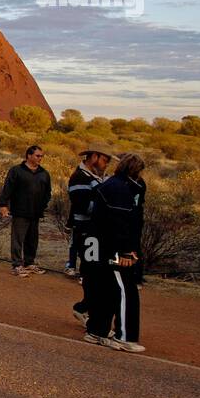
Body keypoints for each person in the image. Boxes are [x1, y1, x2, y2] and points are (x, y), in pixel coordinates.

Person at [83, 153, 147, 353]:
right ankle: (125, 336)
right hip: (113, 248)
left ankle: (96, 330)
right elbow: (120, 223)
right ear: (135, 170)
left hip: (101, 245)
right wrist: (127, 251)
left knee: (105, 289)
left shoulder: (113, 185)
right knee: (125, 289)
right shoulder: (119, 190)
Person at [67, 148, 112, 325]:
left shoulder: (94, 177)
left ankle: (86, 308)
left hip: (94, 231)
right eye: (105, 159)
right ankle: (84, 308)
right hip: (86, 232)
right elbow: (82, 206)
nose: (106, 164)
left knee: (95, 271)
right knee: (91, 271)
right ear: (94, 157)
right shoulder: (80, 177)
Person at [0, 144, 52, 276]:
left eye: (41, 156)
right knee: (18, 239)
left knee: (32, 240)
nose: (40, 158)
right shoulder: (16, 171)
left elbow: (48, 192)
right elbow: (7, 188)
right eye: (37, 155)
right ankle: (16, 265)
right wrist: (3, 205)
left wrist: (42, 206)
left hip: (35, 212)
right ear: (29, 155)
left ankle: (29, 263)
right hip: (20, 211)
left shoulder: (44, 174)